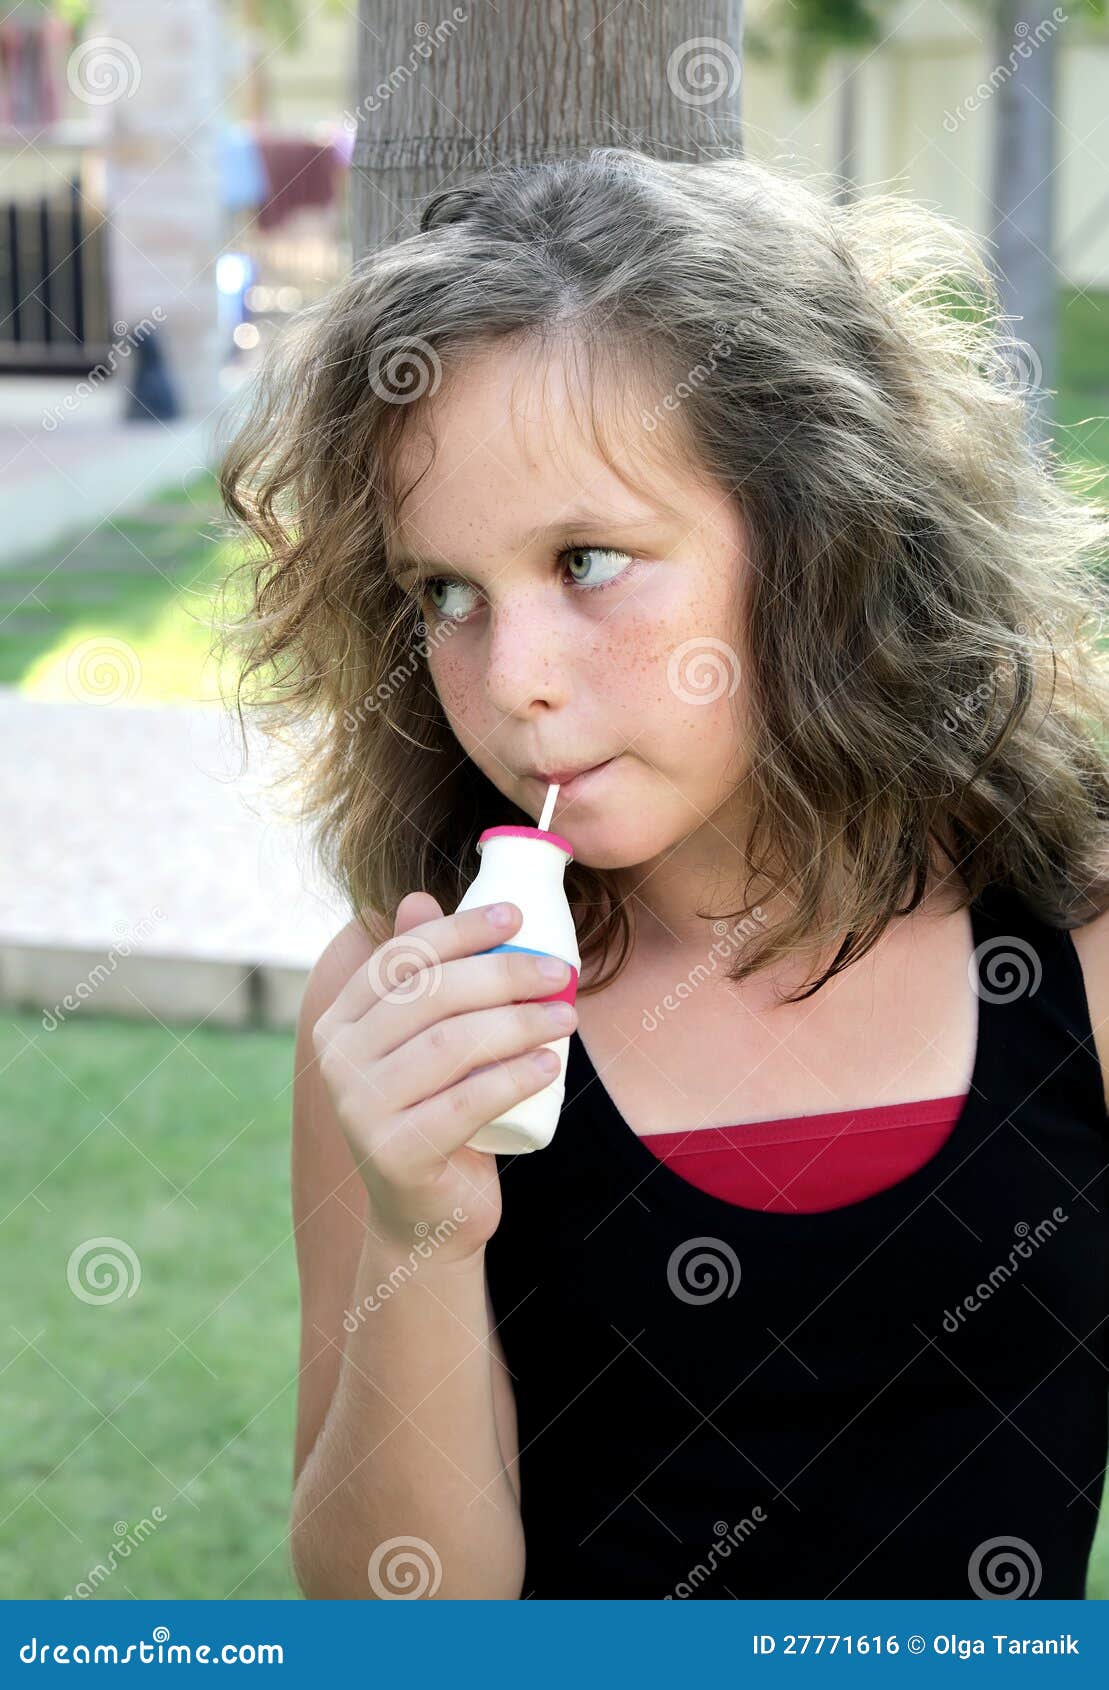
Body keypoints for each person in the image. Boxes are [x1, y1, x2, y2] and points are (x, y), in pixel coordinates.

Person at [215, 147, 1109, 1600]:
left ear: (817, 530)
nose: (513, 682)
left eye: (585, 560)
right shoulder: (402, 1008)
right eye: (445, 592)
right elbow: (401, 1621)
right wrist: (420, 1227)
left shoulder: (1074, 949)